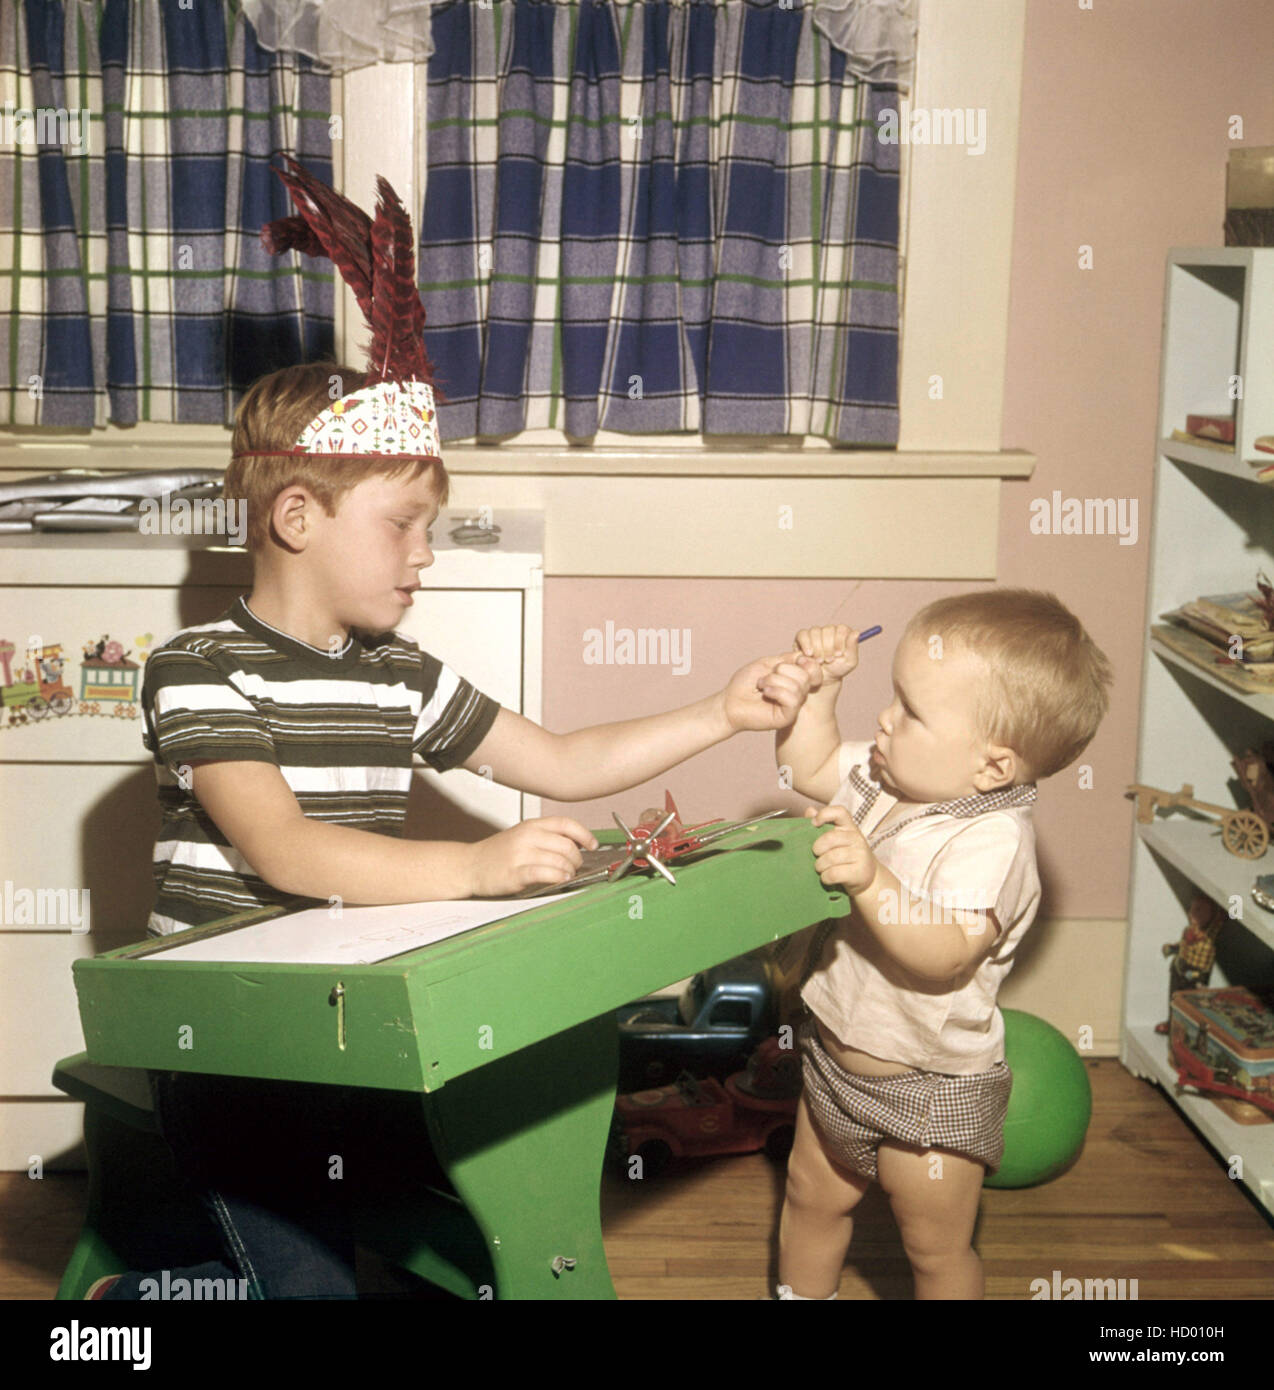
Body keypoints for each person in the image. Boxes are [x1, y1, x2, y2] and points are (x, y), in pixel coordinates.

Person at [92, 161, 806, 1300]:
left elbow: (562, 762)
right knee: (318, 1293)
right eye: (404, 526)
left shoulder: (398, 675)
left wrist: (719, 710)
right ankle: (140, 1302)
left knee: (481, 1222)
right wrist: (475, 863)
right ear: (295, 514)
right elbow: (286, 853)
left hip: (356, 1036)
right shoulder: (200, 671)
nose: (427, 554)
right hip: (233, 1055)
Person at [759, 590, 1112, 1300]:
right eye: (893, 695)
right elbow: (809, 765)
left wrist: (869, 876)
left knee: (934, 1246)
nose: (886, 719)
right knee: (808, 1200)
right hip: (834, 1062)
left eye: (912, 710)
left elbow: (945, 951)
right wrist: (822, 692)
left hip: (931, 1092)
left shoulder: (992, 841)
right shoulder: (896, 779)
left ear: (992, 767)